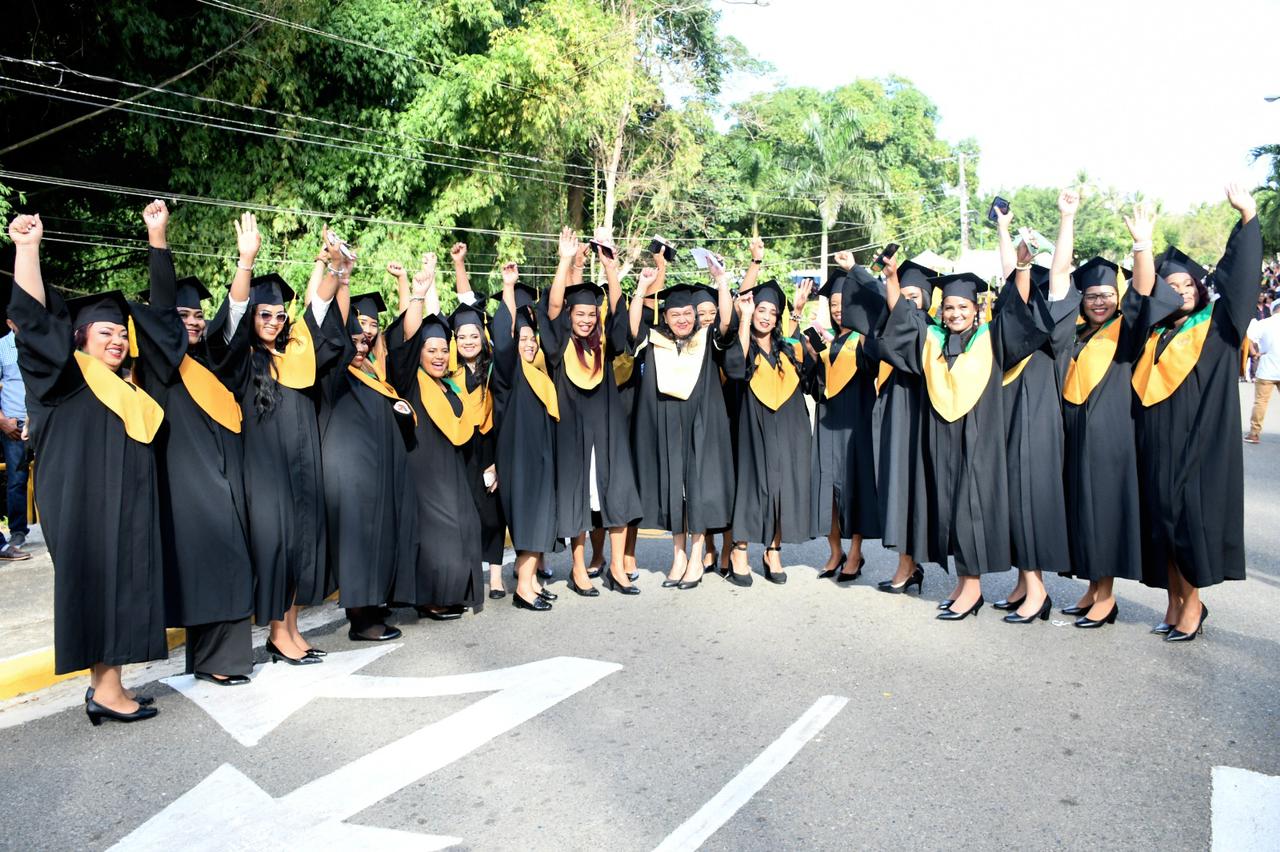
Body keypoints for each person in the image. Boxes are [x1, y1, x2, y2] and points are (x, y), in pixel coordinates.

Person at [8, 213, 167, 724]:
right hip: (84, 508)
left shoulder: (122, 386)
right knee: (102, 589)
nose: (117, 340)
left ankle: (106, 686)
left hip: (112, 509)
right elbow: (34, 321)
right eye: (105, 332)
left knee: (117, 587)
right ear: (79, 337)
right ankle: (106, 692)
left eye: (121, 333)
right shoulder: (64, 376)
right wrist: (28, 250)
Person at [879, 256, 1048, 620]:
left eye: (963, 307)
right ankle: (962, 583)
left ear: (976, 310)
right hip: (940, 440)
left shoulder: (990, 338)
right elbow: (903, 319)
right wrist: (891, 278)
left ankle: (972, 589)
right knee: (949, 510)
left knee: (970, 512)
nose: (956, 313)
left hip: (978, 443)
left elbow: (1015, 313)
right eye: (950, 307)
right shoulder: (933, 341)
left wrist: (1021, 269)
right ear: (941, 312)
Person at [206, 226, 346, 665]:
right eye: (264, 314)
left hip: (303, 469)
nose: (272, 321)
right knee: (277, 550)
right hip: (266, 476)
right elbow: (230, 322)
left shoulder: (297, 355)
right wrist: (246, 261)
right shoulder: (243, 361)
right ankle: (276, 633)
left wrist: (332, 265)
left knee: (303, 548)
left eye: (279, 316)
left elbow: (318, 309)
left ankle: (292, 629)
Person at [1131, 184, 1261, 641]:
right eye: (1173, 286)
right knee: (1161, 525)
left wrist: (1247, 218)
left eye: (1189, 284)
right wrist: (1142, 246)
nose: (1183, 291)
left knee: (1186, 525)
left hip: (1198, 446)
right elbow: (1138, 299)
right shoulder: (1152, 334)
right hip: (1155, 444)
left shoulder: (1220, 327)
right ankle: (1173, 601)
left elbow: (1241, 282)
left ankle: (1194, 605)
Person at [137, 201, 255, 684]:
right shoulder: (162, 364)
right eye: (183, 315)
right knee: (212, 566)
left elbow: (235, 318)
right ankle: (214, 662)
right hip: (187, 484)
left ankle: (214, 661)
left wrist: (245, 262)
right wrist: (158, 240)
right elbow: (161, 309)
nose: (192, 321)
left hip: (222, 479)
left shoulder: (209, 359)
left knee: (226, 564)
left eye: (197, 315)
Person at [1057, 202, 1181, 627]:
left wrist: (1142, 245)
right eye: (1091, 296)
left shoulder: (1127, 330)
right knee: (1082, 513)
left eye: (1107, 295)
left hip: (1111, 442)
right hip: (1077, 438)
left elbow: (1144, 295)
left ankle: (1106, 596)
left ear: (1117, 297)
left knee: (1104, 515)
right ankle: (1093, 587)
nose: (1099, 302)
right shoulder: (1076, 334)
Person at [990, 195, 1080, 624]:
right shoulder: (1012, 323)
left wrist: (1067, 217)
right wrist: (1003, 229)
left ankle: (1038, 591)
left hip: (1037, 419)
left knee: (1028, 501)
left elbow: (1058, 273)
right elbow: (1013, 276)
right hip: (1010, 417)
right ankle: (1024, 582)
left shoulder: (1052, 328)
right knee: (1012, 499)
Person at [316, 278, 418, 642]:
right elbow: (330, 328)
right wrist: (340, 279)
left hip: (373, 475)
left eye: (365, 340)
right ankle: (361, 620)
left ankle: (374, 606)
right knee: (357, 544)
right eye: (354, 340)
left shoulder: (372, 374)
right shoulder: (335, 376)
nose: (361, 345)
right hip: (350, 477)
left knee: (376, 539)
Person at [543, 228, 643, 596]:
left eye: (590, 314)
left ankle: (616, 566)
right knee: (578, 498)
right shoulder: (559, 345)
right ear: (570, 316)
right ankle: (578, 568)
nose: (585, 319)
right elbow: (553, 309)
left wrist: (611, 269)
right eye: (579, 314)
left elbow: (618, 315)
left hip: (607, 428)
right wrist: (566, 261)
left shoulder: (604, 344)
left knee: (616, 491)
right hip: (573, 433)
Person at [385, 255, 485, 619]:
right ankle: (429, 597)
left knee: (465, 525)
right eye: (432, 351)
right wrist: (417, 294)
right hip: (423, 470)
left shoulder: (450, 385)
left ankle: (454, 592)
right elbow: (406, 337)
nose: (440, 356)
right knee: (436, 533)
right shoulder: (410, 380)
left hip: (451, 470)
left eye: (444, 349)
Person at [628, 263, 735, 589]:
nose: (683, 319)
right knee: (673, 489)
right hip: (668, 427)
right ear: (665, 316)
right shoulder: (655, 340)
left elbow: (726, 322)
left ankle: (697, 555)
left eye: (688, 313)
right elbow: (633, 328)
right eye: (675, 315)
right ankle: (678, 556)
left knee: (698, 489)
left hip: (701, 427)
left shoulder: (706, 339)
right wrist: (641, 289)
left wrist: (721, 281)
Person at [723, 278, 814, 585]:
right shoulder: (742, 342)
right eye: (761, 310)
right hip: (752, 421)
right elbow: (736, 366)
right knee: (752, 484)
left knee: (782, 485)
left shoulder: (786, 348)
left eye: (773, 313)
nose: (766, 317)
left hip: (789, 422)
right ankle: (740, 549)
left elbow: (808, 378)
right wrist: (745, 317)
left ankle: (773, 549)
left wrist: (797, 314)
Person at [805, 253, 882, 583]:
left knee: (855, 486)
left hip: (856, 421)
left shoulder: (864, 338)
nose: (839, 309)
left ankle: (855, 552)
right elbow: (815, 386)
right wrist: (813, 358)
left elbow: (872, 363)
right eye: (834, 304)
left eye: (844, 303)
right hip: (827, 419)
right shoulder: (829, 341)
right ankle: (835, 550)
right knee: (827, 488)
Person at [491, 263, 562, 610]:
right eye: (523, 340)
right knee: (532, 518)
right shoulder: (508, 373)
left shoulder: (540, 373)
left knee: (540, 516)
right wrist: (509, 287)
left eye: (532, 339)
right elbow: (504, 339)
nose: (529, 344)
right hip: (520, 461)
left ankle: (531, 579)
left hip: (538, 459)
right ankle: (523, 588)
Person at [871, 258, 938, 594]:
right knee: (898, 488)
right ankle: (908, 563)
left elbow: (903, 326)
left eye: (914, 296)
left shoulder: (928, 329)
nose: (907, 302)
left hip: (916, 418)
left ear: (926, 299)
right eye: (903, 295)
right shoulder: (894, 325)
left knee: (907, 488)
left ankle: (907, 564)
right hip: (897, 415)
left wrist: (892, 280)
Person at [447, 244, 508, 597]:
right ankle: (470, 578)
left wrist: (496, 462)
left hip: (488, 448)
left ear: (482, 339)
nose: (468, 341)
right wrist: (457, 265)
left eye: (474, 335)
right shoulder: (448, 373)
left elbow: (469, 303)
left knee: (492, 514)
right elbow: (460, 304)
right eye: (462, 337)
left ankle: (496, 577)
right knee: (465, 515)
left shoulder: (494, 369)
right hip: (459, 450)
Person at [0, 316, 31, 561]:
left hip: (42, 422)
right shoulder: (2, 346)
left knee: (52, 476)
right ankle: (18, 531)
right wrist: (2, 420)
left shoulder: (40, 343)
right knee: (17, 479)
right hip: (14, 424)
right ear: (10, 323)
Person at [1246, 306, 1280, 442]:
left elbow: (1248, 337)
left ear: (1274, 310)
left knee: (1261, 402)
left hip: (1267, 369)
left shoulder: (1264, 323)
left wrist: (1253, 353)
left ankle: (1254, 434)